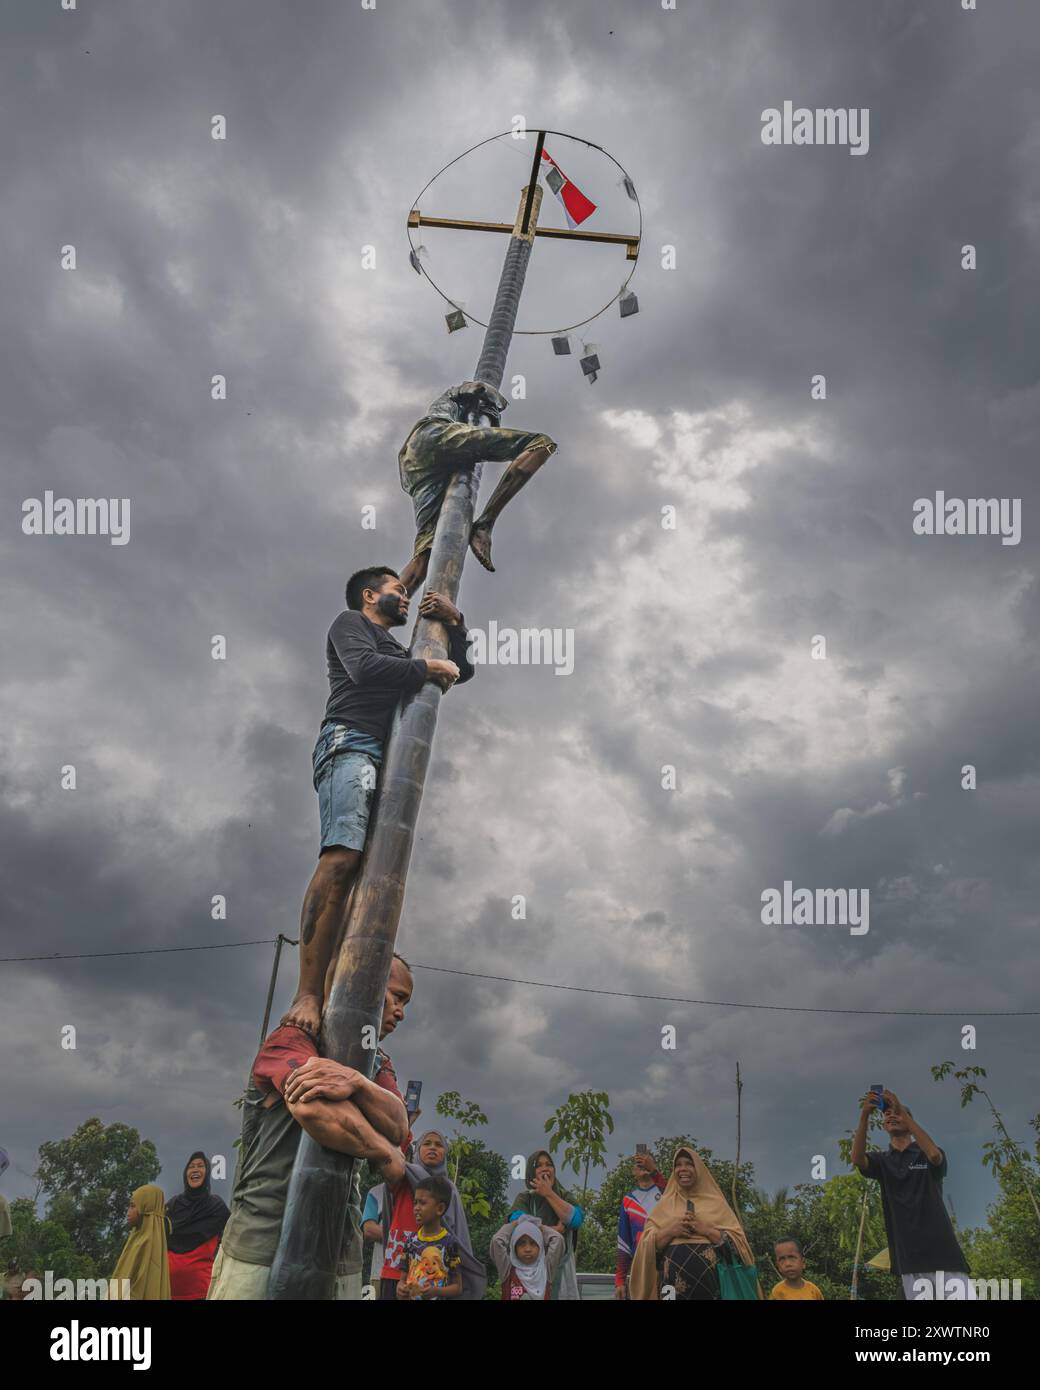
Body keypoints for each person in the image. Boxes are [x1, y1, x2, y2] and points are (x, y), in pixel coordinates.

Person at [282, 567, 473, 1038]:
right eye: (397, 590)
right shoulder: (351, 624)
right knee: (341, 858)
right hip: (350, 742)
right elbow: (365, 671)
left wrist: (456, 622)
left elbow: (460, 670)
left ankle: (331, 983)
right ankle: (307, 991)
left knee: (367, 872)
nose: (405, 596)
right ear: (369, 596)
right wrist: (427, 667)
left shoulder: (399, 647)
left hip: (384, 761)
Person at [208, 953, 414, 1300]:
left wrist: (356, 1083)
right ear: (363, 985)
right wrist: (382, 1150)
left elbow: (399, 1125)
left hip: (338, 1249)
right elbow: (314, 1109)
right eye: (396, 996)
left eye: (405, 1002)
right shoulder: (293, 1038)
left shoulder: (377, 1062)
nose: (401, 1012)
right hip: (261, 1243)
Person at [397, 381, 558, 592]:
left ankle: (376, 616)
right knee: (541, 443)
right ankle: (485, 523)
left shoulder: (449, 411)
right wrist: (489, 394)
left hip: (413, 468)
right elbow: (477, 387)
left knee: (427, 550)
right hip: (433, 437)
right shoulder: (454, 398)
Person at [851, 1087, 972, 1301]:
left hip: (944, 1255)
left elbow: (935, 1155)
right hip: (909, 1260)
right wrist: (864, 1115)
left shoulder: (925, 1152)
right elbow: (858, 1160)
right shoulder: (882, 1160)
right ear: (884, 1125)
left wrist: (902, 1110)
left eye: (897, 1113)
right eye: (887, 1114)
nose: (892, 1115)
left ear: (909, 1121)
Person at [628, 1146, 759, 1301]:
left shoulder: (717, 1204)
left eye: (689, 1164)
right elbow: (646, 1248)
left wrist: (707, 1230)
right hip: (670, 1292)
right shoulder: (664, 1205)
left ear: (699, 1169)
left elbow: (741, 1249)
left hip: (713, 1290)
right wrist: (671, 1231)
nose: (683, 1169)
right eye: (678, 1165)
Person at [377, 1129, 486, 1300]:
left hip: (434, 1281)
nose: (433, 1148)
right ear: (418, 1150)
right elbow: (388, 1160)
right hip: (396, 1273)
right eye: (426, 1144)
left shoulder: (448, 1190)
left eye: (439, 1144)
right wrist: (403, 1127)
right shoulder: (402, 1177)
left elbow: (458, 1234)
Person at [508, 1151, 584, 1300]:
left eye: (549, 1165)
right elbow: (517, 1225)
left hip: (561, 1271)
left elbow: (575, 1220)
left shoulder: (564, 1196)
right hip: (531, 1272)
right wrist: (556, 1231)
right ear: (531, 1172)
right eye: (539, 1166)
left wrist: (548, 1193)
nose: (545, 1168)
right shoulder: (525, 1198)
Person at [165, 1153, 230, 1300]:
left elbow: (231, 1238)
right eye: (191, 1166)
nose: (195, 1169)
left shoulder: (216, 1207)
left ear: (207, 1173)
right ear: (185, 1174)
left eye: (200, 1166)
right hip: (167, 1290)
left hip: (201, 1291)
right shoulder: (173, 1205)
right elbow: (157, 1237)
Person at [395, 1176, 463, 1300]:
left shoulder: (449, 1243)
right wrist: (400, 1289)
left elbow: (457, 1287)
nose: (416, 1208)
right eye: (415, 1202)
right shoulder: (410, 1241)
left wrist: (437, 1291)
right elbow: (402, 1280)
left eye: (422, 1202)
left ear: (440, 1208)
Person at [614, 1149, 667, 1298]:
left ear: (653, 1165)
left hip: (667, 1267)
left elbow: (675, 1195)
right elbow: (623, 1243)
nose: (642, 1164)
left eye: (646, 1161)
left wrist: (654, 1171)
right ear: (633, 1171)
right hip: (641, 1267)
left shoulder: (666, 1193)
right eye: (638, 1162)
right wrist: (619, 1280)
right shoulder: (628, 1201)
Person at [111, 1185, 170, 1300]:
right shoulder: (136, 1237)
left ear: (145, 1208)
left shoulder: (145, 1244)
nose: (128, 1212)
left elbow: (136, 1290)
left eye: (133, 1206)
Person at [491, 1217, 565, 1301]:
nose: (528, 1249)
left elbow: (558, 1240)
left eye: (533, 1243)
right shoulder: (507, 1269)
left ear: (540, 1246)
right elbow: (497, 1241)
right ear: (514, 1247)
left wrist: (540, 1227)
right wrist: (514, 1224)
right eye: (522, 1244)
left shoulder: (546, 1269)